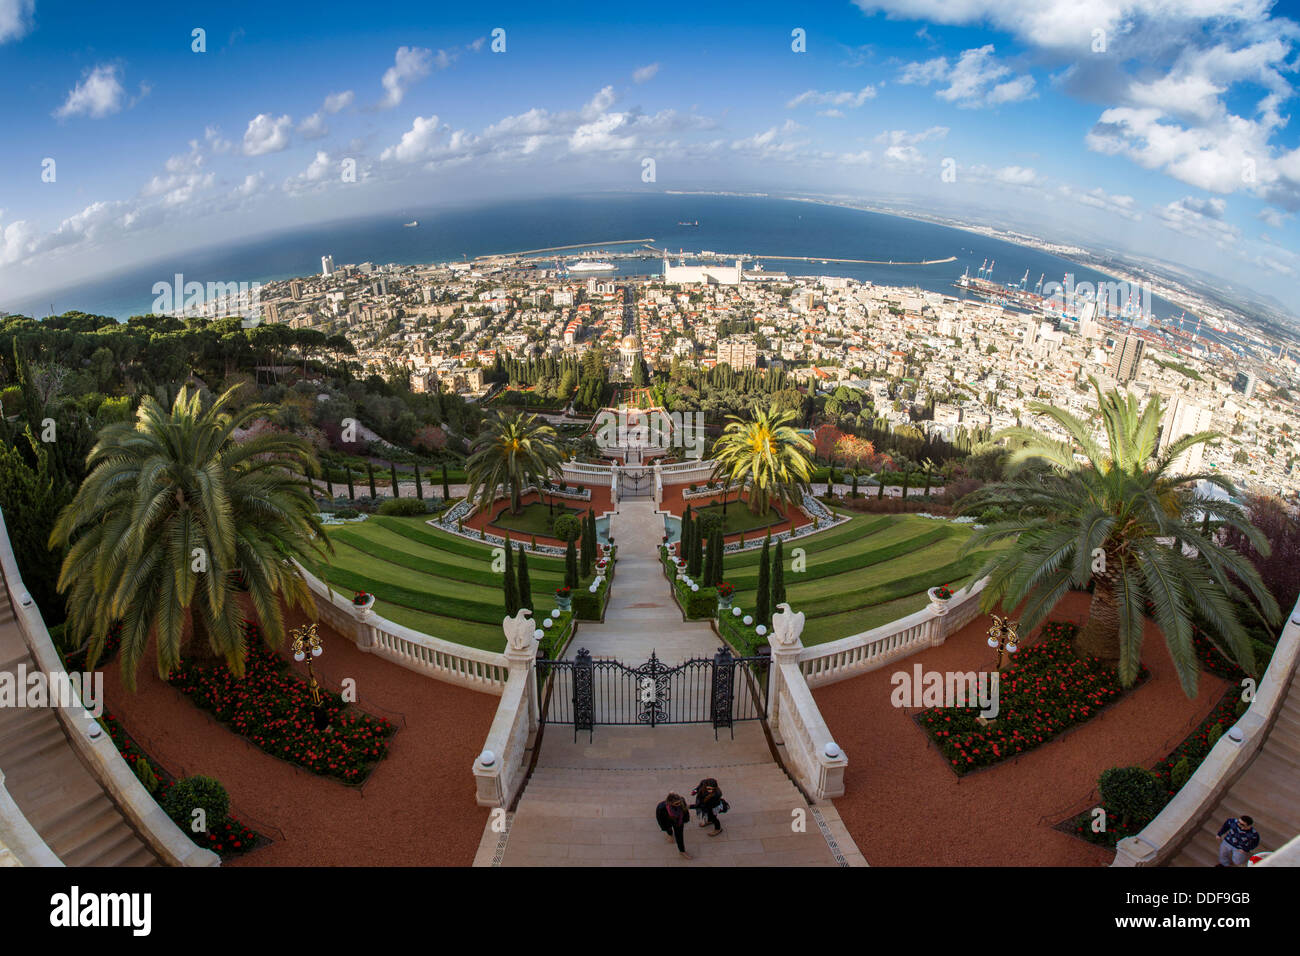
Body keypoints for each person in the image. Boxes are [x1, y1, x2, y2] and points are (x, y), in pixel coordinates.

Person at [655, 793, 691, 859]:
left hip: (678, 822)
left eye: (679, 802)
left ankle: (682, 851)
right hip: (668, 821)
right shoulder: (661, 807)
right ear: (670, 803)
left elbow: (685, 811)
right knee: (669, 830)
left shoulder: (682, 801)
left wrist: (685, 819)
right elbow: (660, 819)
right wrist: (664, 827)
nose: (679, 805)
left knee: (679, 836)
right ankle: (670, 834)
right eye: (676, 804)